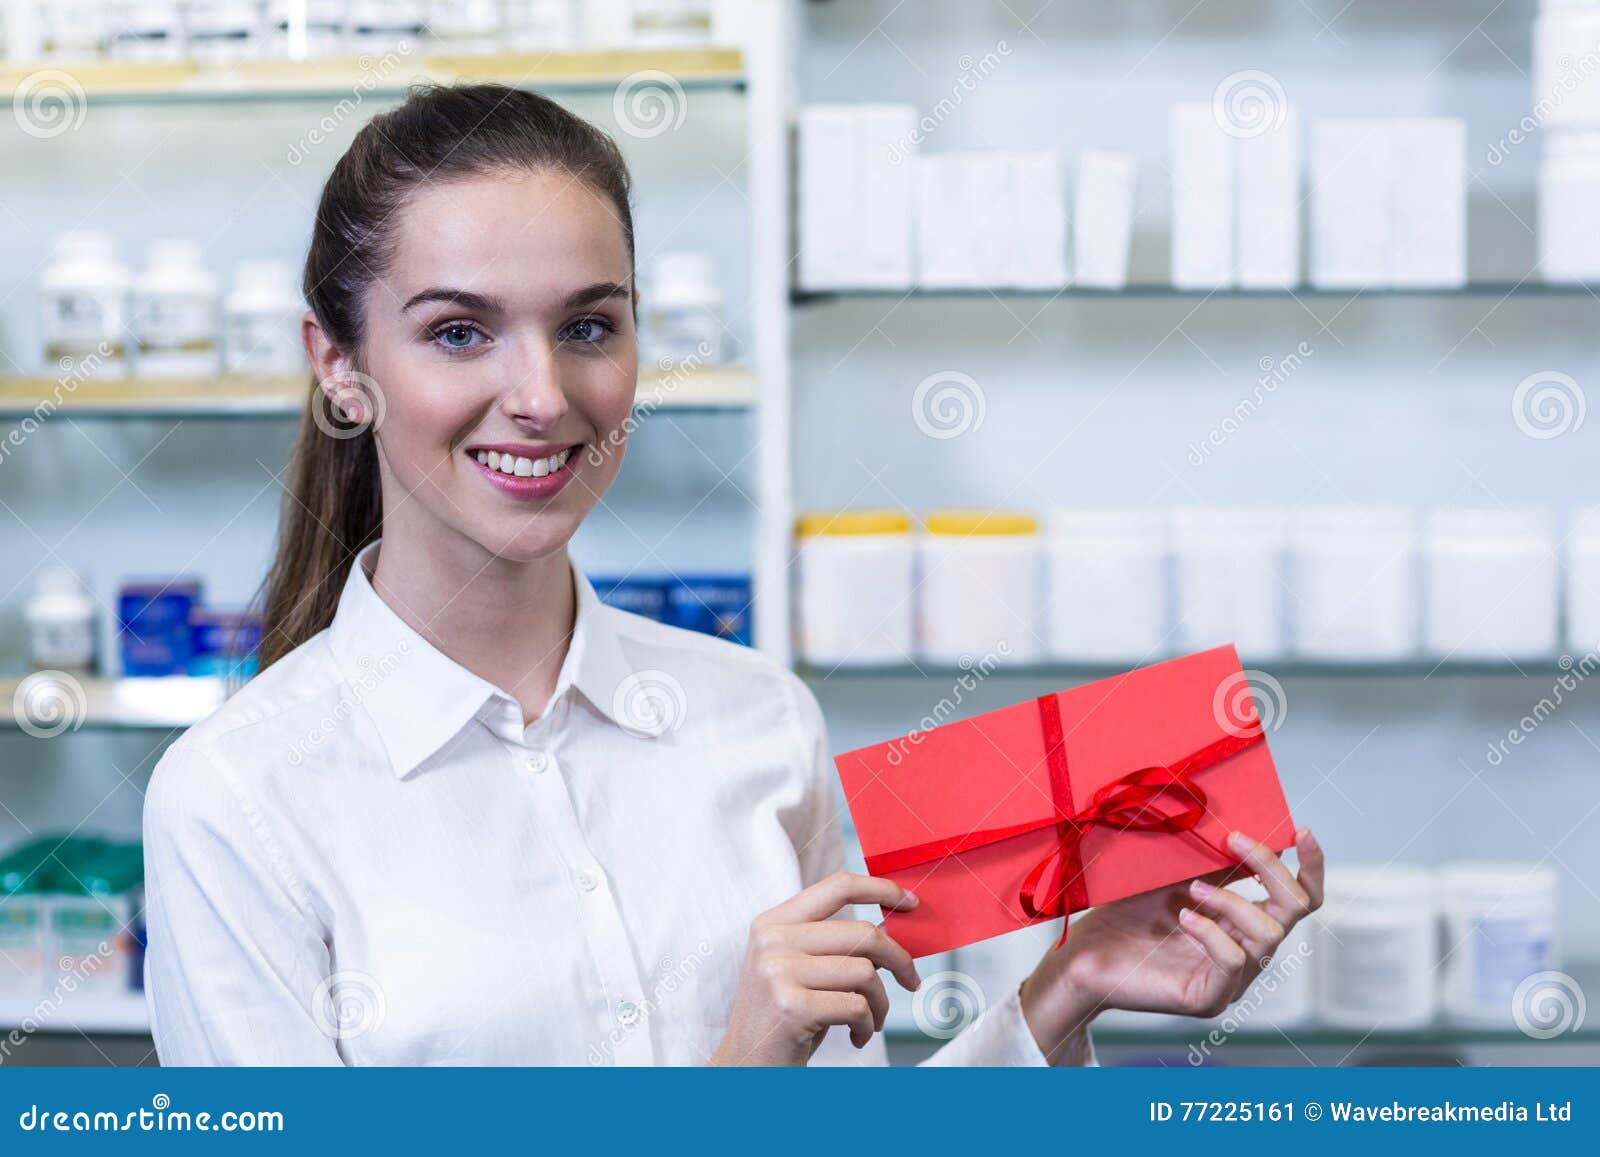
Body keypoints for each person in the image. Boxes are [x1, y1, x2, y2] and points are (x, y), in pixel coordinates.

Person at [143, 84, 1324, 1066]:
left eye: (589, 327)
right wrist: (734, 1084)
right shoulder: (238, 800)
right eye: (459, 332)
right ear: (339, 366)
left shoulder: (757, 715)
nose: (544, 394)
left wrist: (1067, 988)